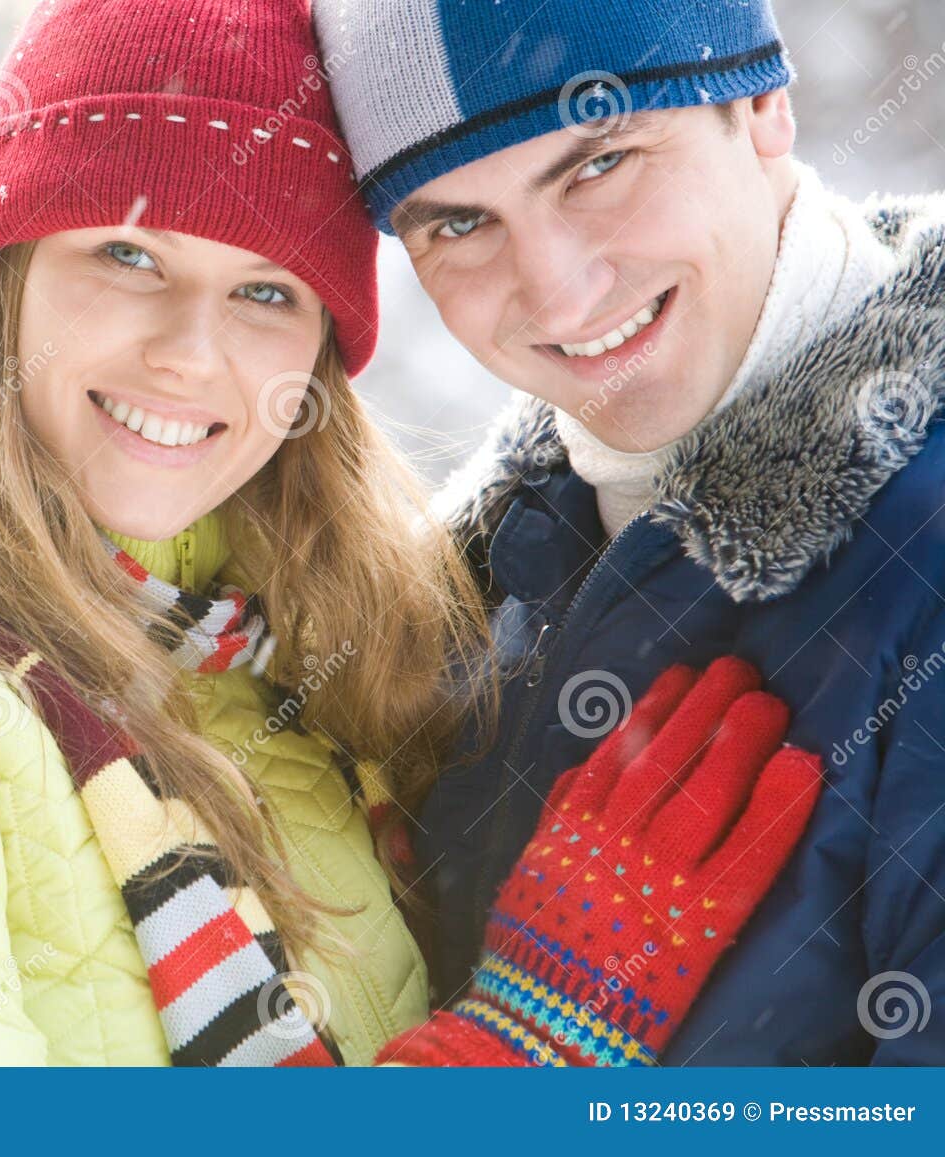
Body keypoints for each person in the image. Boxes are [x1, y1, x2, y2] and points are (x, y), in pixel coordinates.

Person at [0, 0, 817, 1067]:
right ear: (0, 279)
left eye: (265, 293)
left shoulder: (314, 675)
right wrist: (515, 1054)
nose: (190, 352)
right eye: (126, 254)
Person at [316, 0, 945, 1063]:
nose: (557, 289)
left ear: (758, 103)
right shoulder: (461, 599)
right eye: (459, 223)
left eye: (598, 163)